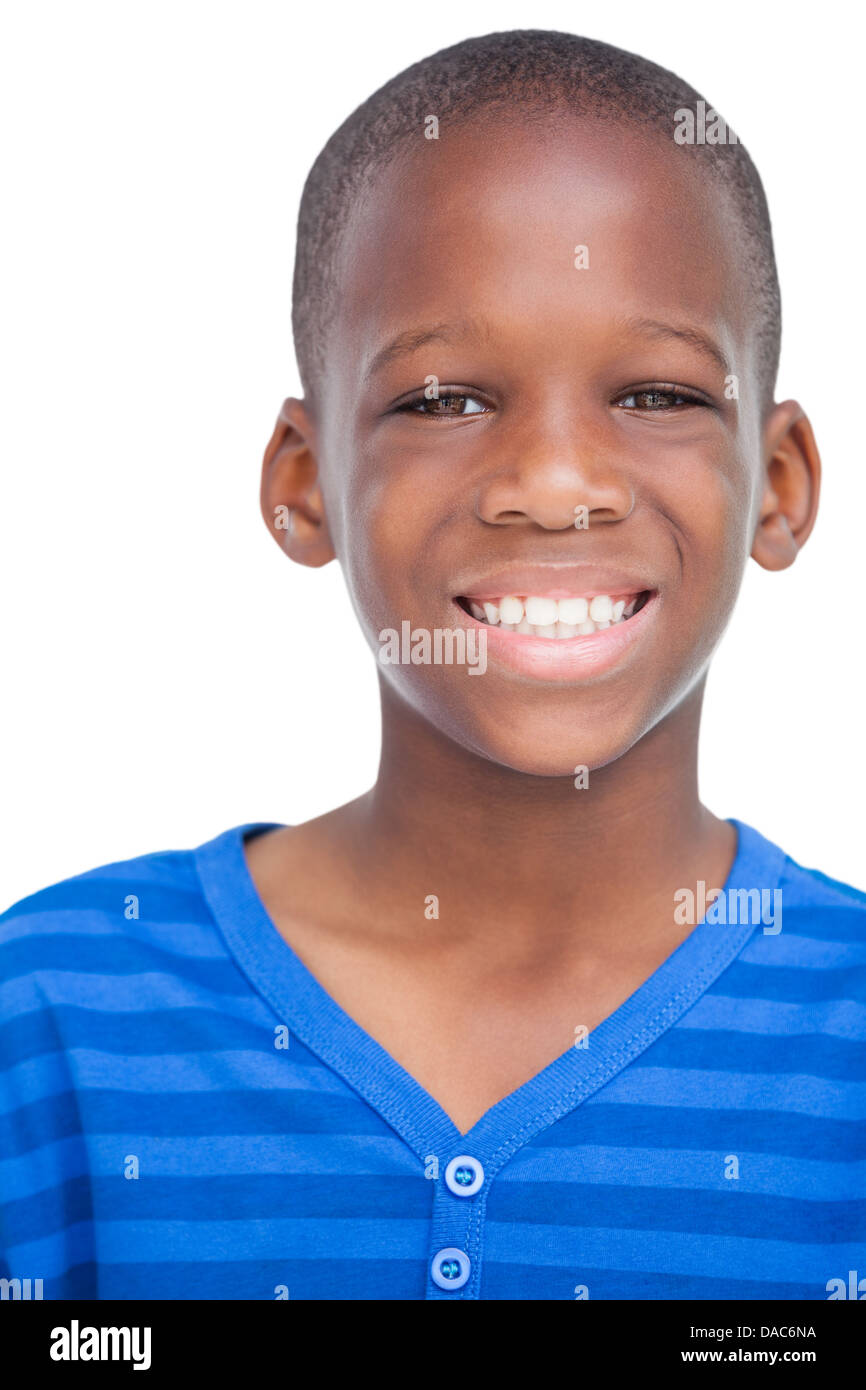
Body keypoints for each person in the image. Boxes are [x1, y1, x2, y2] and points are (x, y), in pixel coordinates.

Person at [1, 30, 863, 1302]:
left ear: (779, 488)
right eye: (444, 399)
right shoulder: (54, 1015)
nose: (554, 484)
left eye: (657, 394)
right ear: (303, 488)